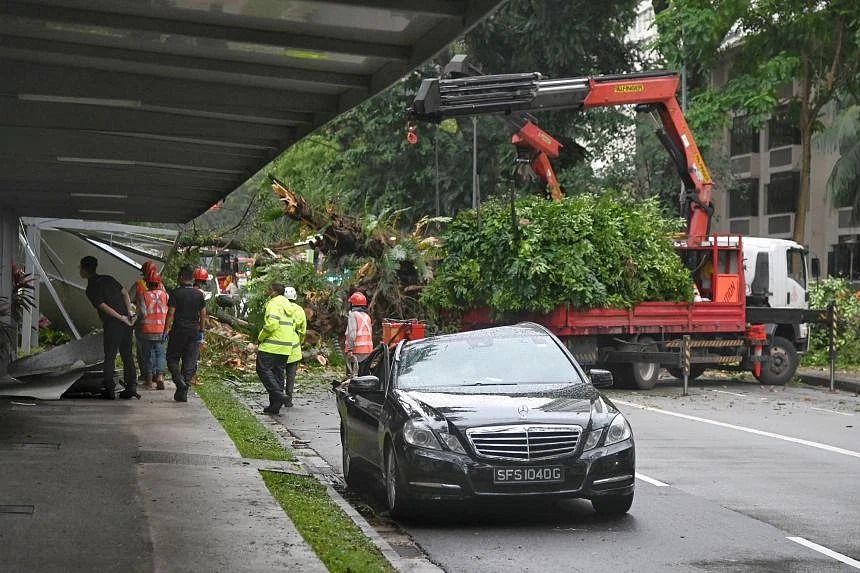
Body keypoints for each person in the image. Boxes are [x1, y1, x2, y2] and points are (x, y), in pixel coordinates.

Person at [80, 256, 139, 400]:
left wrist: (119, 317)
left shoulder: (91, 288)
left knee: (110, 356)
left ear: (84, 270)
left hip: (113, 324)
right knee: (127, 356)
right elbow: (124, 292)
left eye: (80, 268)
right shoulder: (108, 278)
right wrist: (128, 312)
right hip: (127, 322)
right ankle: (131, 387)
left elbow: (102, 306)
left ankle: (110, 389)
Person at [256, 283, 306, 415]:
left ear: (273, 291)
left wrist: (261, 337)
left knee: (263, 369)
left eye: (268, 289)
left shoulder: (274, 303)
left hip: (271, 345)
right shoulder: (289, 306)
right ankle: (274, 407)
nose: (267, 291)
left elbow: (271, 324)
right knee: (278, 374)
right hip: (286, 347)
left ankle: (278, 394)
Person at [164, 265, 208, 403]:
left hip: (178, 331)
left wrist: (165, 330)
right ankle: (183, 390)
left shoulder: (176, 293)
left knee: (172, 358)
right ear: (193, 279)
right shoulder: (199, 294)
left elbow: (170, 313)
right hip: (194, 332)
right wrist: (201, 330)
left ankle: (179, 382)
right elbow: (203, 314)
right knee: (189, 362)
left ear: (181, 278)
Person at [138, 270, 169, 390]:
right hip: (162, 329)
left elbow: (142, 313)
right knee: (161, 354)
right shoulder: (166, 295)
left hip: (147, 330)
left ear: (147, 282)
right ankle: (160, 377)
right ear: (159, 283)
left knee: (148, 355)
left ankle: (149, 381)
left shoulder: (143, 296)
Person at [130, 261, 158, 381]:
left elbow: (129, 299)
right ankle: (156, 373)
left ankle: (146, 374)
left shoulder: (138, 284)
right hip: (159, 323)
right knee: (157, 350)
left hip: (143, 322)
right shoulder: (160, 285)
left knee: (142, 350)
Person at [188, 267, 211, 387]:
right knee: (195, 354)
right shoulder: (201, 294)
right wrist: (203, 328)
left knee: (187, 353)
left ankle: (186, 375)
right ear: (203, 282)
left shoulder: (188, 291)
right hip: (196, 327)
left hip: (186, 326)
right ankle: (191, 377)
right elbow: (202, 313)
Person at [344, 291, 373, 376]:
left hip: (356, 352)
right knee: (364, 377)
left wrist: (350, 349)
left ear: (352, 304)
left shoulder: (353, 315)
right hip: (368, 352)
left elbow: (352, 334)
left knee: (352, 377)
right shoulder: (367, 316)